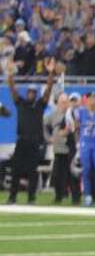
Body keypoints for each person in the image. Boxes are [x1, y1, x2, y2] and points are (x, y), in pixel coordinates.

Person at [7, 63, 56, 204]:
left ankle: (31, 198)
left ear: (36, 95)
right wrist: (10, 74)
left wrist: (51, 73)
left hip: (34, 142)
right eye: (29, 92)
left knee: (32, 171)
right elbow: (12, 89)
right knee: (16, 170)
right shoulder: (21, 103)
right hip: (21, 140)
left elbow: (48, 90)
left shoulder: (40, 105)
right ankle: (12, 198)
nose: (31, 94)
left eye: (33, 93)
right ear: (26, 93)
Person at [45, 92, 79, 204]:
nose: (65, 104)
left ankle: (76, 198)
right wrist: (49, 138)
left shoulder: (72, 114)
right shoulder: (52, 115)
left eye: (66, 102)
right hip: (58, 150)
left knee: (72, 175)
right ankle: (58, 197)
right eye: (62, 102)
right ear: (58, 103)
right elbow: (44, 126)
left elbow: (77, 129)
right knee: (57, 175)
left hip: (70, 149)